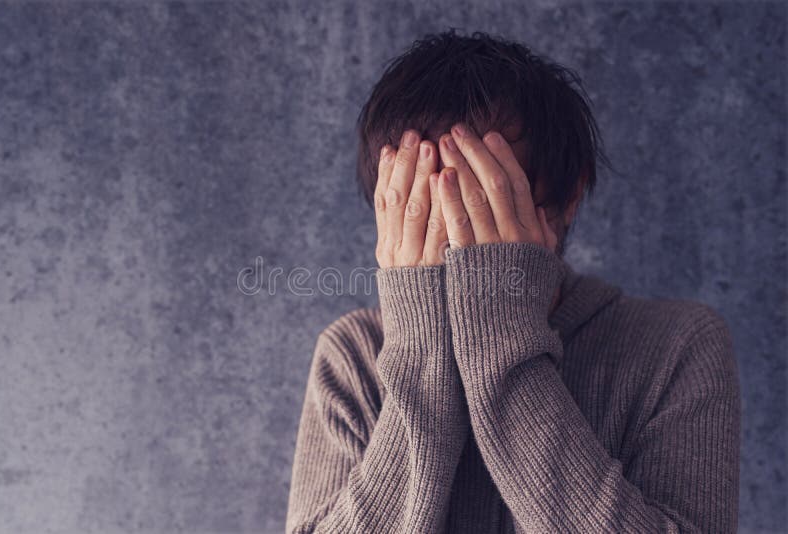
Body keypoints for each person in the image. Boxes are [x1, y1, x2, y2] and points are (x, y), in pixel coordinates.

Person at [285, 29, 741, 533]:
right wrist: (420, 350)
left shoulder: (676, 345)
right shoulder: (352, 355)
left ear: (568, 198)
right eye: (429, 212)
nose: (457, 238)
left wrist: (501, 333)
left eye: (489, 205)